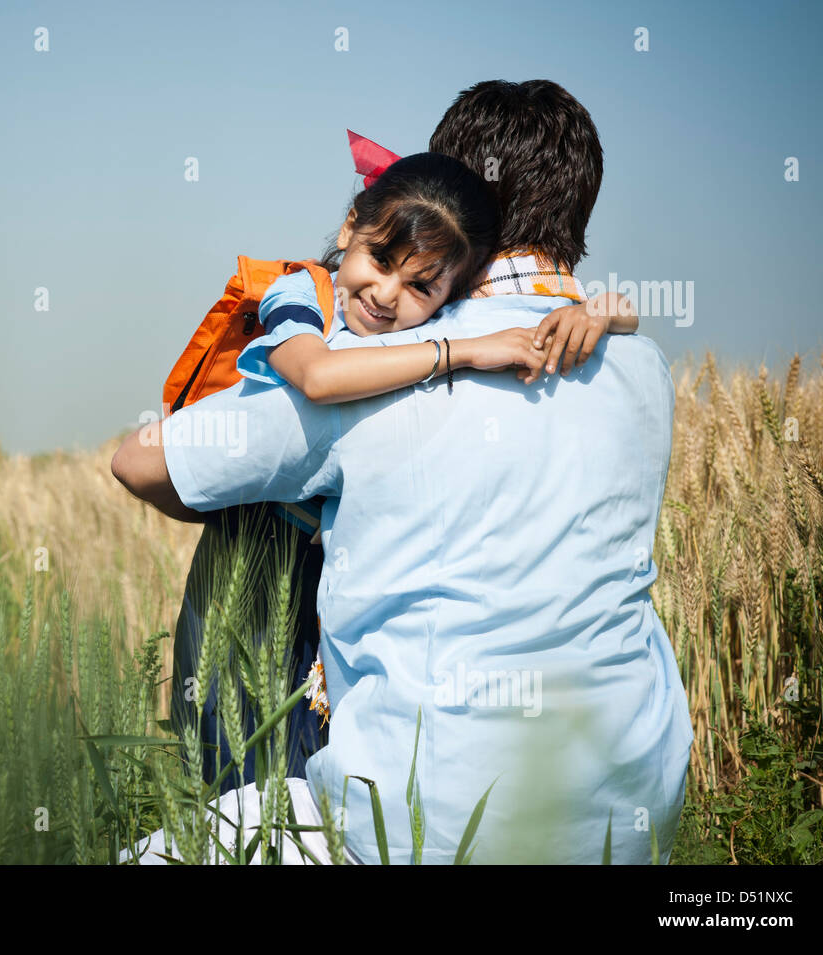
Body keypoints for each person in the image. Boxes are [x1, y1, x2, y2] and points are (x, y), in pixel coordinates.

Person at [114, 79, 693, 864]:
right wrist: (613, 307)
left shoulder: (379, 366)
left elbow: (143, 461)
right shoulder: (644, 366)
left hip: (417, 826)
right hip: (633, 822)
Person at [171, 151, 637, 798]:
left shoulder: (424, 321)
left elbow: (627, 307)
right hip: (252, 559)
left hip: (334, 570)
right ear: (348, 230)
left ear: (453, 291)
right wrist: (464, 350)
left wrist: (598, 314)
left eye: (422, 285)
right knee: (232, 772)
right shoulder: (306, 291)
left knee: (307, 772)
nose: (388, 295)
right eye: (380, 260)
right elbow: (318, 377)